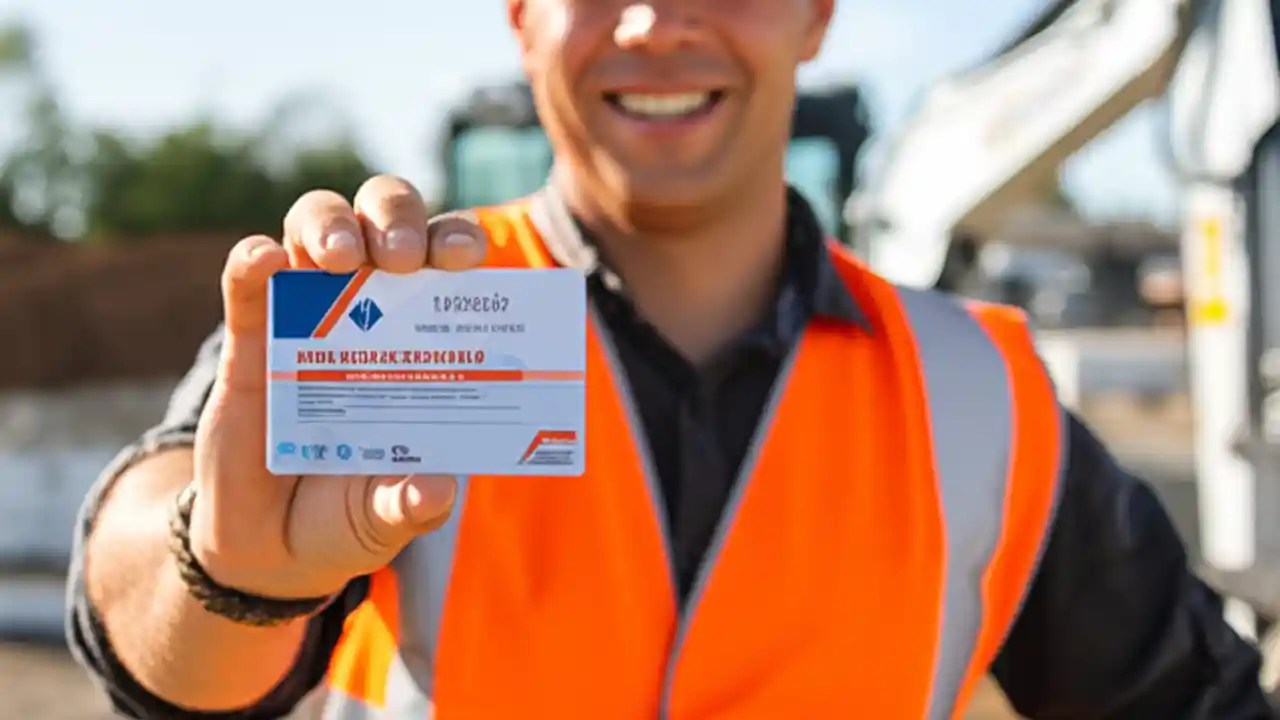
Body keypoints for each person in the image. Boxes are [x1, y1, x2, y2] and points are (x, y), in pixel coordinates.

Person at [68, 1, 1273, 718]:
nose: (653, 22)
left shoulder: (978, 396)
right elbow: (162, 603)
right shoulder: (396, 317)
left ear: (815, 12)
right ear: (521, 14)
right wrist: (227, 575)